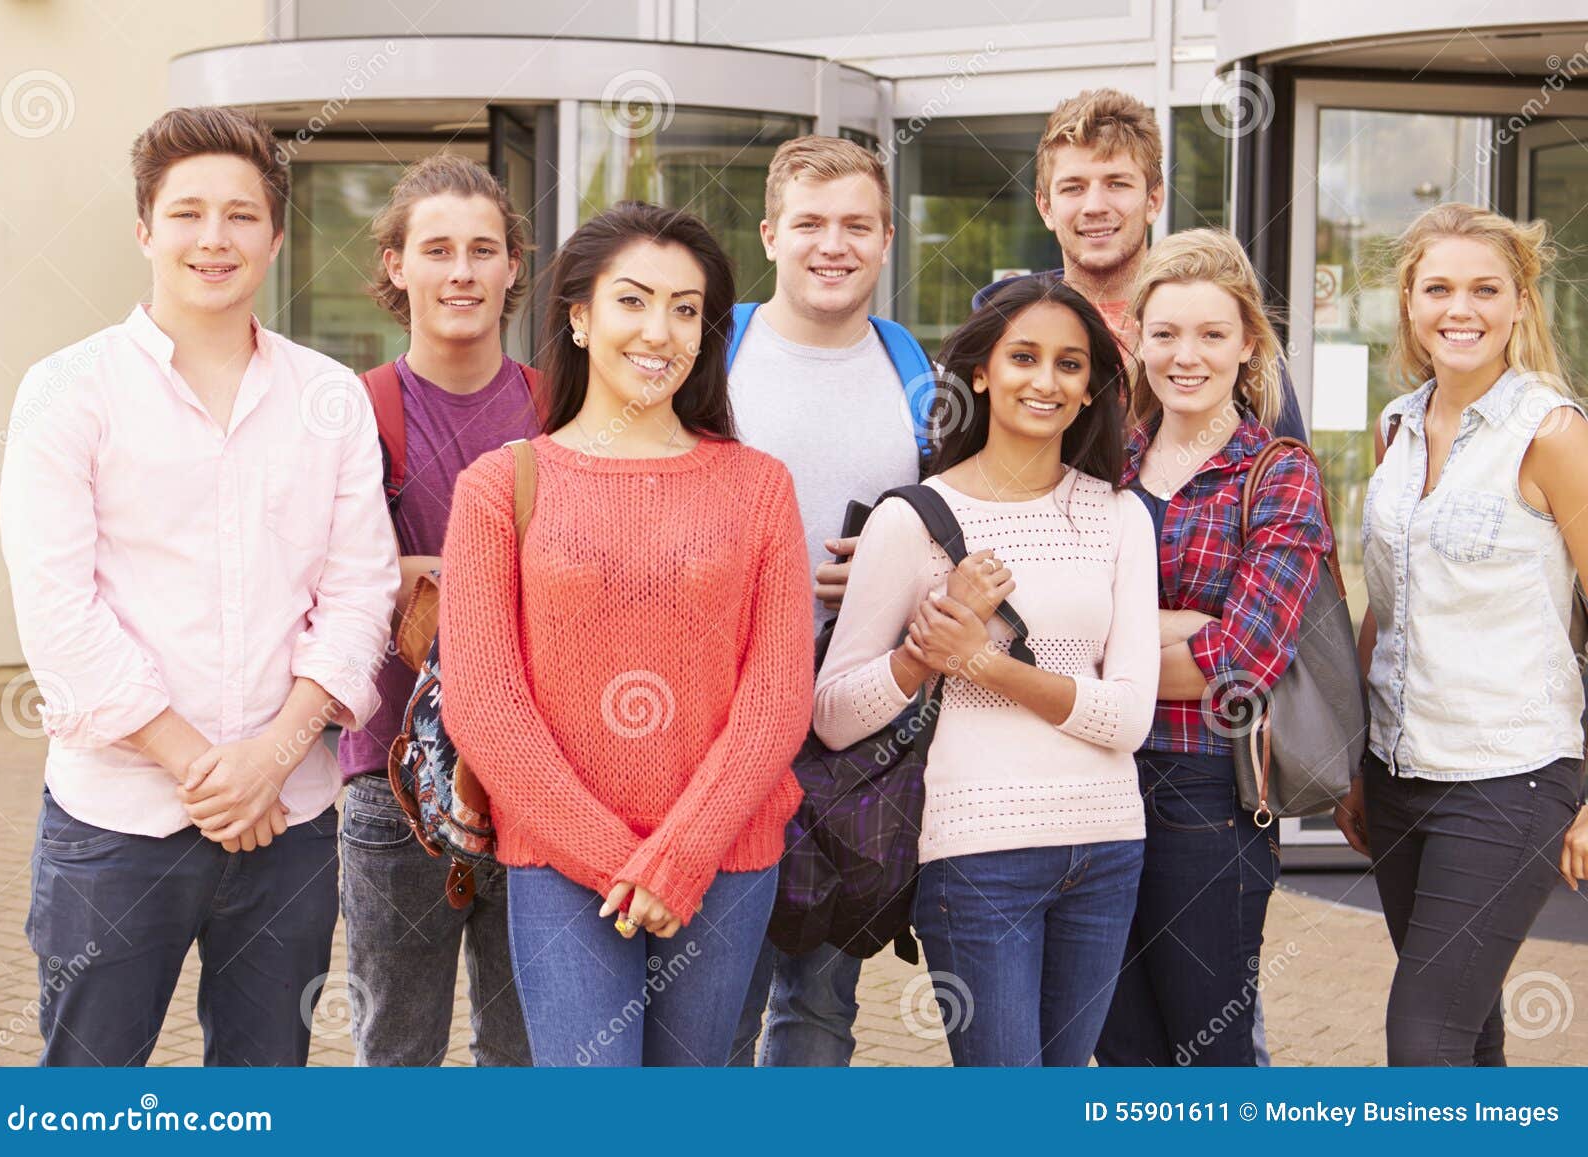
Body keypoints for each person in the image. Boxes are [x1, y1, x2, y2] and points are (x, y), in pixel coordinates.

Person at [0, 106, 398, 1066]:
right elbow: (59, 613)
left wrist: (273, 756)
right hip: (116, 823)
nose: (213, 238)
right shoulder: (67, 390)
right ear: (145, 230)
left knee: (265, 1097)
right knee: (87, 1103)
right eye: (186, 213)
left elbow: (361, 592)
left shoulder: (330, 399)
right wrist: (205, 768)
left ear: (273, 235)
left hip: (287, 828)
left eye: (239, 214)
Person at [437, 201, 815, 1067]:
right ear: (578, 316)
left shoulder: (758, 485)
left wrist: (680, 855)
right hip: (562, 866)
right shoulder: (501, 485)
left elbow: (777, 694)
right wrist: (625, 862)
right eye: (634, 301)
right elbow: (487, 706)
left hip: (725, 858)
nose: (662, 331)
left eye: (687, 309)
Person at [813, 277, 1158, 1066]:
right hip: (975, 858)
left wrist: (980, 662)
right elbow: (831, 712)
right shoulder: (914, 519)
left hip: (1106, 845)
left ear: (1089, 389)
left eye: (1070, 365)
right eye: (1024, 357)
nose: (1046, 380)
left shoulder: (1119, 515)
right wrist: (919, 658)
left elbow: (1128, 716)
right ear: (980, 372)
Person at [1333, 203, 1588, 1066]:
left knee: (1424, 1037)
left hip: (1510, 776)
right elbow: (1388, 605)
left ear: (1520, 302)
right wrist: (1358, 761)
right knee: (1468, 1029)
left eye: (1485, 288)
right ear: (1409, 303)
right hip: (1401, 776)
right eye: (1437, 287)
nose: (1461, 308)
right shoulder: (1396, 426)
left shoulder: (1552, 433)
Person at [1095, 228, 1331, 1067]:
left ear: (1247, 346)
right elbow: (1046, 630)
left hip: (1204, 795)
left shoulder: (1278, 474)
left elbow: (1241, 666)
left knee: (1209, 1051)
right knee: (1119, 1049)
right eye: (1164, 334)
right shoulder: (1102, 464)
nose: (1184, 355)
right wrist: (1176, 630)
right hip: (1091, 784)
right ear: (1136, 340)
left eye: (1210, 335)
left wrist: (1108, 645)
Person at [726, 136, 934, 1067]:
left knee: (820, 1001)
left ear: (887, 239)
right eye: (809, 224)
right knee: (710, 989)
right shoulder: (710, 348)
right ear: (771, 234)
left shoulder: (913, 368)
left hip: (853, 724)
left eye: (856, 225)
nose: (832, 245)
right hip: (718, 705)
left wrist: (902, 572)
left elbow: (960, 525)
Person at [337, 154, 537, 1067]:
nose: (462, 270)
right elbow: (331, 579)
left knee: (525, 1045)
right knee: (397, 1045)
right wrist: (502, 573)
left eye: (483, 249)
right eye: (438, 248)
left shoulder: (557, 404)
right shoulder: (357, 410)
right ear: (396, 265)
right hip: (392, 778)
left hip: (540, 769)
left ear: (511, 268)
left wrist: (420, 571)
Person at [974, 87, 1307, 450]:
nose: (1095, 206)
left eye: (1117, 184)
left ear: (1154, 199)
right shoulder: (1001, 332)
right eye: (1073, 188)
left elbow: (1288, 475)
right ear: (1045, 207)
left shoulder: (1225, 329)